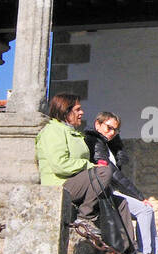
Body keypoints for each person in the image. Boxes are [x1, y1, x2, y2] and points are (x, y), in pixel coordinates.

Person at [83, 111, 158, 254]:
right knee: (144, 209)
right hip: (105, 193)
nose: (112, 133)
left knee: (148, 209)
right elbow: (114, 175)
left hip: (112, 191)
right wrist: (139, 196)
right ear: (97, 124)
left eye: (115, 130)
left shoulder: (109, 145)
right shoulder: (94, 142)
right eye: (109, 128)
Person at [34, 93, 113, 231]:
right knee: (103, 172)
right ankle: (85, 217)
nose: (81, 112)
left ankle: (128, 250)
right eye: (77, 109)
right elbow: (60, 165)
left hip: (75, 181)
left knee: (120, 203)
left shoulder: (73, 133)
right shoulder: (53, 131)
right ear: (65, 111)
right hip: (59, 184)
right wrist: (89, 166)